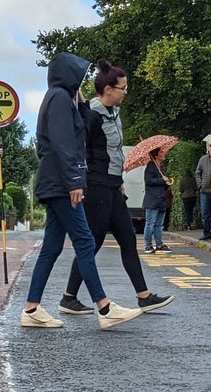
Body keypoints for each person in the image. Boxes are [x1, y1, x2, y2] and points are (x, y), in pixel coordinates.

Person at [18, 54, 143, 331]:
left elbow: (77, 132)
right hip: (62, 183)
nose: (83, 79)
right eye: (80, 74)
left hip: (55, 182)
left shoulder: (62, 97)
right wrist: (75, 181)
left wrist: (83, 102)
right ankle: (105, 307)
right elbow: (64, 144)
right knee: (85, 242)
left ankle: (32, 308)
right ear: (68, 73)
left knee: (51, 247)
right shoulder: (60, 98)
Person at [58, 61, 173, 315]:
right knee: (93, 243)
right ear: (108, 89)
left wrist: (120, 182)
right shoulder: (91, 114)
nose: (125, 92)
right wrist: (77, 182)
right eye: (123, 88)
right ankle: (68, 297)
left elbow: (115, 152)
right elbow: (78, 149)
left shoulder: (115, 113)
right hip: (96, 187)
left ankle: (143, 296)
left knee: (128, 239)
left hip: (113, 187)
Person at [142, 147, 171, 253]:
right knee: (150, 223)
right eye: (161, 152)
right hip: (152, 199)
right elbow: (149, 181)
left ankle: (159, 244)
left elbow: (162, 183)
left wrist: (166, 183)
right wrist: (161, 180)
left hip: (162, 199)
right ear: (156, 155)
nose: (164, 154)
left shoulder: (161, 167)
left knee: (159, 224)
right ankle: (148, 245)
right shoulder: (151, 166)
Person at [178, 157, 198, 229]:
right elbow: (196, 188)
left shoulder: (182, 180)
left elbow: (180, 189)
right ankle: (191, 222)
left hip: (185, 197)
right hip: (192, 196)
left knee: (187, 211)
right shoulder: (193, 179)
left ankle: (188, 224)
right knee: (192, 210)